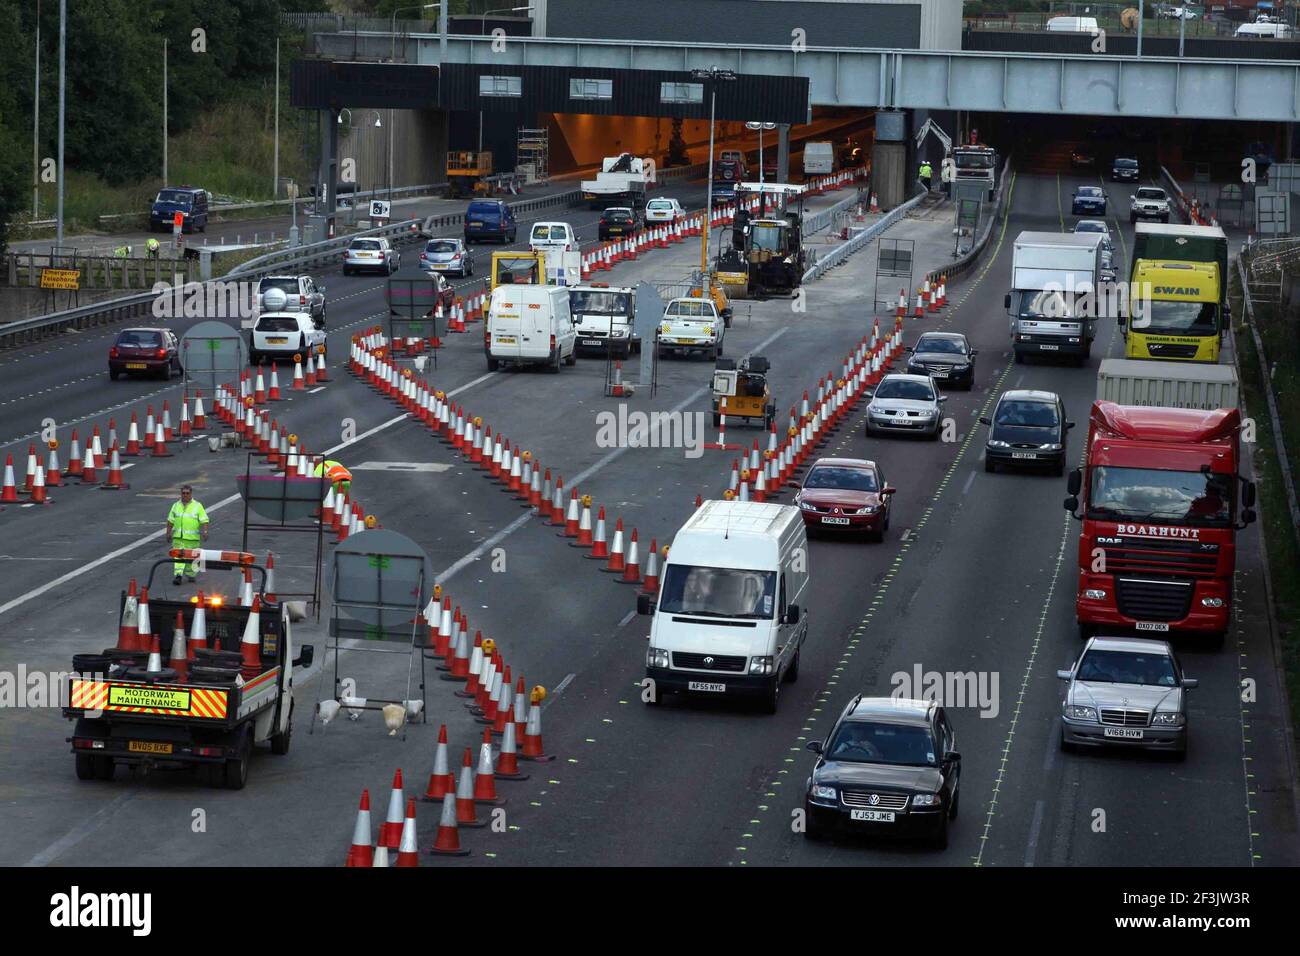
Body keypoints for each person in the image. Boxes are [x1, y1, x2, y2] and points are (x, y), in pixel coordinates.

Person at [166, 485, 209, 585]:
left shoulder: (198, 506)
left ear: (191, 494)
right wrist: (168, 533)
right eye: (183, 493)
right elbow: (170, 520)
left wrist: (205, 532)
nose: (185, 495)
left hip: (192, 539)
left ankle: (191, 575)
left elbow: (204, 520)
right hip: (178, 538)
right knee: (178, 557)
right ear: (181, 494)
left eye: (187, 493)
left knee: (192, 558)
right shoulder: (176, 505)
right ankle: (178, 575)